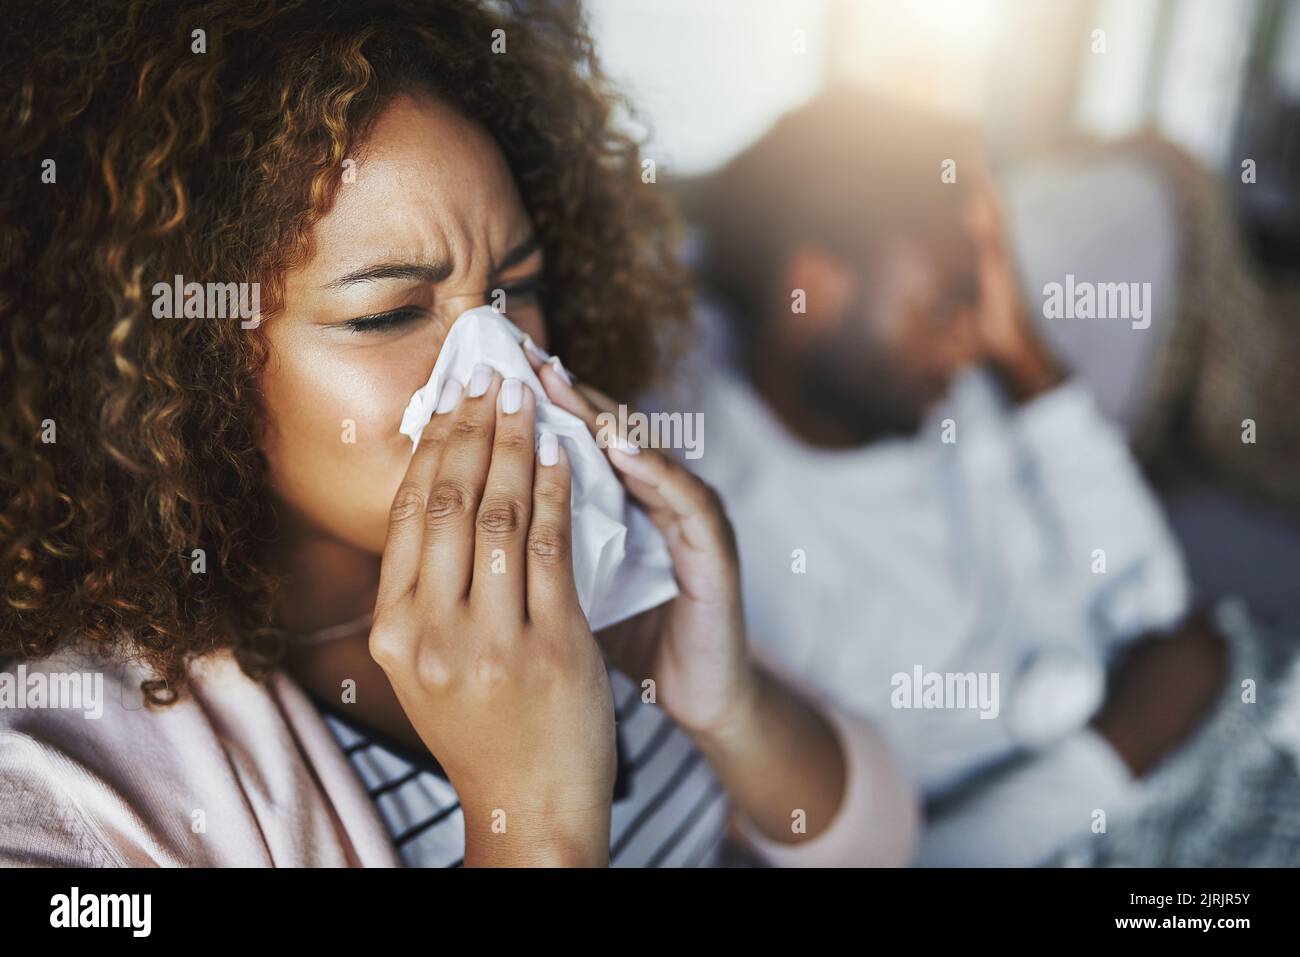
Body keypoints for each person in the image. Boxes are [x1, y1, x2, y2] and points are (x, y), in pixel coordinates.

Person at [0, 1, 917, 868]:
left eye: (514, 288)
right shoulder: (73, 782)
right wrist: (534, 818)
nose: (500, 365)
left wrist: (730, 705)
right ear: (185, 364)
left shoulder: (592, 577)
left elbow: (880, 845)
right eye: (390, 313)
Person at [684, 90, 1228, 865]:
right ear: (815, 292)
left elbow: (1158, 602)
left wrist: (1027, 357)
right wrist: (1120, 744)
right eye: (942, 305)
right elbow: (889, 854)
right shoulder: (739, 554)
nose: (971, 340)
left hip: (1216, 722)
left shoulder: (941, 395)